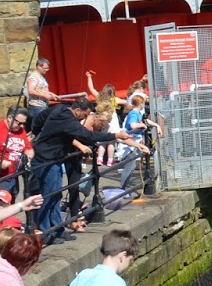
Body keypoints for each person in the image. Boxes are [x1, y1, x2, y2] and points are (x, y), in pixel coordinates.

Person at [28, 94, 134, 235]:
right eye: (84, 114)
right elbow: (89, 136)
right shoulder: (69, 120)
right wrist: (115, 136)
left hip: (54, 159)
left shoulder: (58, 108)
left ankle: (57, 229)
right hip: (45, 159)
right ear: (77, 110)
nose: (84, 118)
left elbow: (40, 118)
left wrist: (36, 131)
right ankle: (47, 231)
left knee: (56, 195)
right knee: (48, 195)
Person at [0, 108, 32, 184]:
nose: (22, 126)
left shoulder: (20, 130)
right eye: (19, 123)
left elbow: (28, 149)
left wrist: (28, 159)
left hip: (13, 175)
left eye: (24, 123)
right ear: (9, 118)